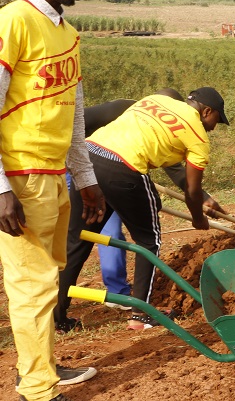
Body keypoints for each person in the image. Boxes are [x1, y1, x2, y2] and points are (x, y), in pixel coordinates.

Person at [0, 0, 105, 401]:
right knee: (31, 284)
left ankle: (39, 367)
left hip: (54, 175)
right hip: (20, 176)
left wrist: (85, 178)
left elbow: (74, 111)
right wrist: (0, 187)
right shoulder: (13, 22)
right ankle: (38, 388)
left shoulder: (67, 33)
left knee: (48, 277)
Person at [55, 91, 226, 330]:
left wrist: (155, 201)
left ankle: (57, 316)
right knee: (149, 241)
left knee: (76, 241)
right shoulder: (198, 135)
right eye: (217, 119)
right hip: (124, 168)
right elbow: (192, 189)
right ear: (207, 111)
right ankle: (140, 315)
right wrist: (198, 218)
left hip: (88, 158)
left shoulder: (155, 100)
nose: (214, 127)